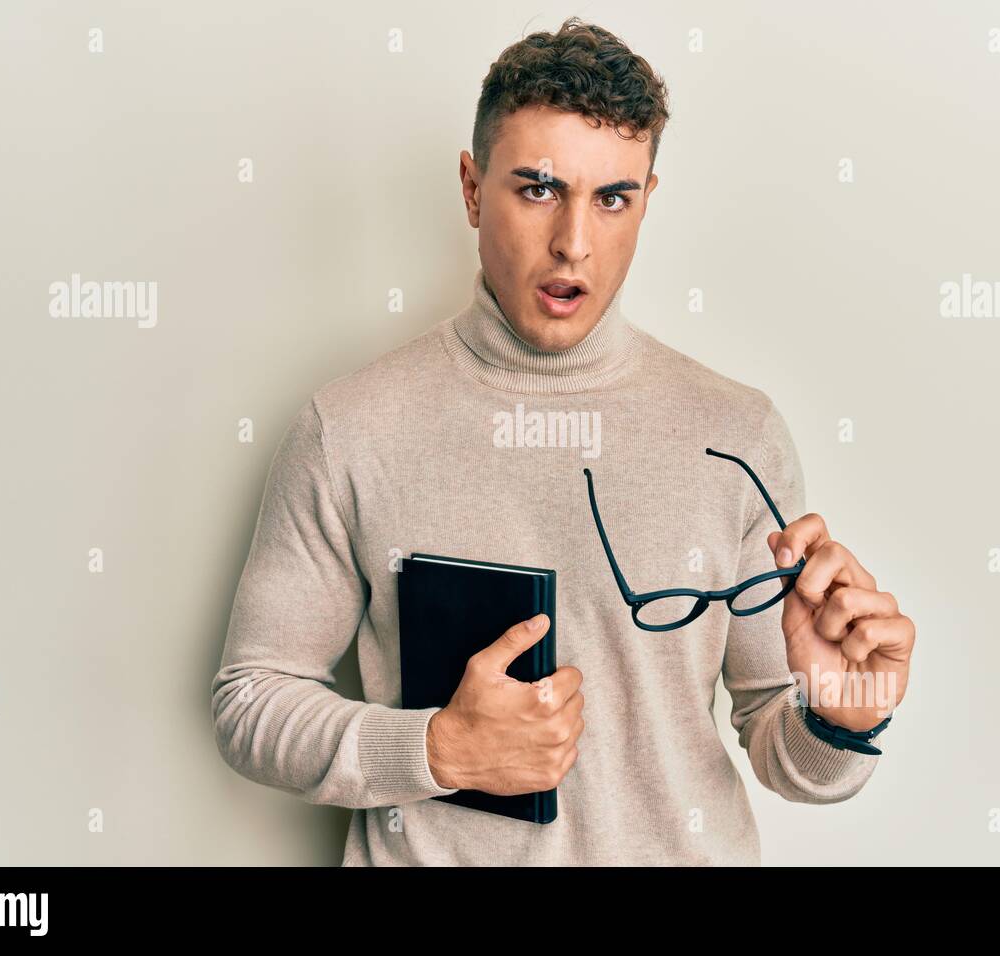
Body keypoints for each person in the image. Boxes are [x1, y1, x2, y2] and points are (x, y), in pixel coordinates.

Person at [211, 16, 915, 866]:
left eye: (612, 198)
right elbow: (252, 699)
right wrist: (432, 750)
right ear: (472, 190)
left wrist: (842, 714)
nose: (574, 242)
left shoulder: (736, 432)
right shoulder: (349, 426)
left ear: (648, 201)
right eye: (538, 188)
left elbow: (785, 751)